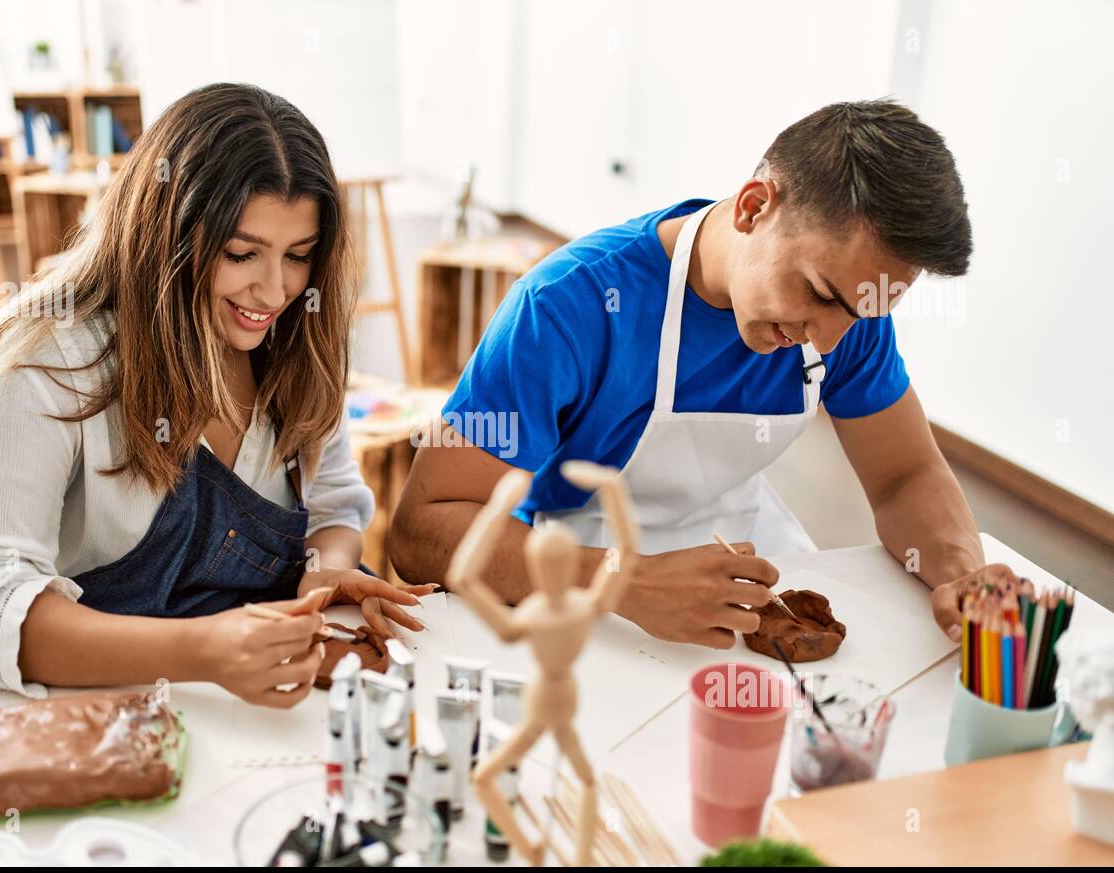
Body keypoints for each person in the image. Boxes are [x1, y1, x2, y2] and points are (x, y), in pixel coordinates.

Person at [391, 100, 1009, 648]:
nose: (828, 337)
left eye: (863, 311)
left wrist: (962, 571)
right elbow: (423, 528)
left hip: (752, 570)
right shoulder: (566, 307)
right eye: (818, 294)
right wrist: (622, 582)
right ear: (753, 207)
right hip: (574, 589)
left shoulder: (849, 309)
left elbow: (906, 475)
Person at [0, 83, 434, 707]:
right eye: (242, 254)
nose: (274, 292)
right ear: (165, 236)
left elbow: (332, 509)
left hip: (269, 707)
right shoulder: (48, 362)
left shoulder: (299, 343)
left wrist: (321, 575)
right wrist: (203, 652)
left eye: (298, 257)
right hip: (111, 710)